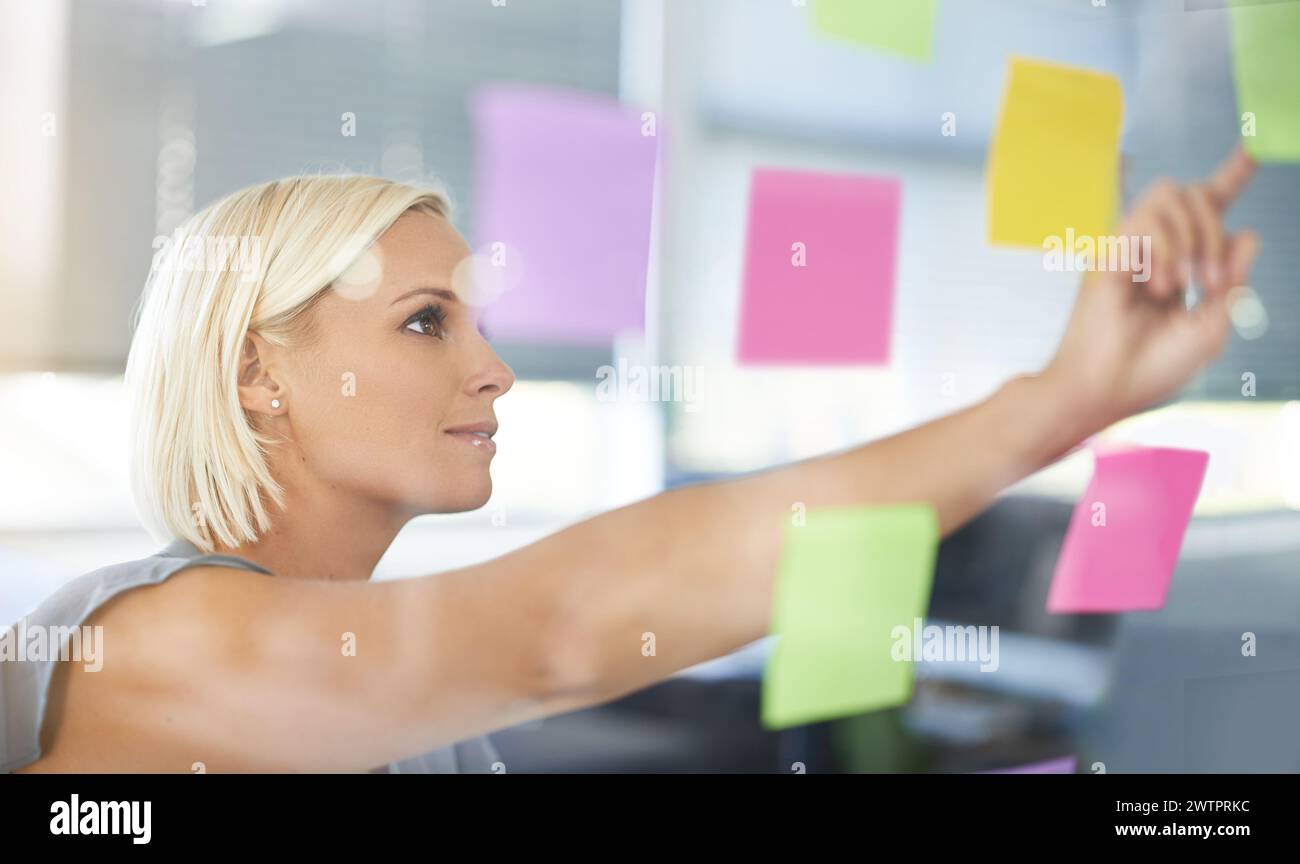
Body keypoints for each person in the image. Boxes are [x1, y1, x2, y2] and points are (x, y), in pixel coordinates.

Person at [3, 147, 1259, 773]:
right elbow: (566, 627)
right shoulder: (151, 649)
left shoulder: (404, 710)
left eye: (481, 323)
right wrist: (1058, 399)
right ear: (255, 375)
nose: (492, 369)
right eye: (426, 321)